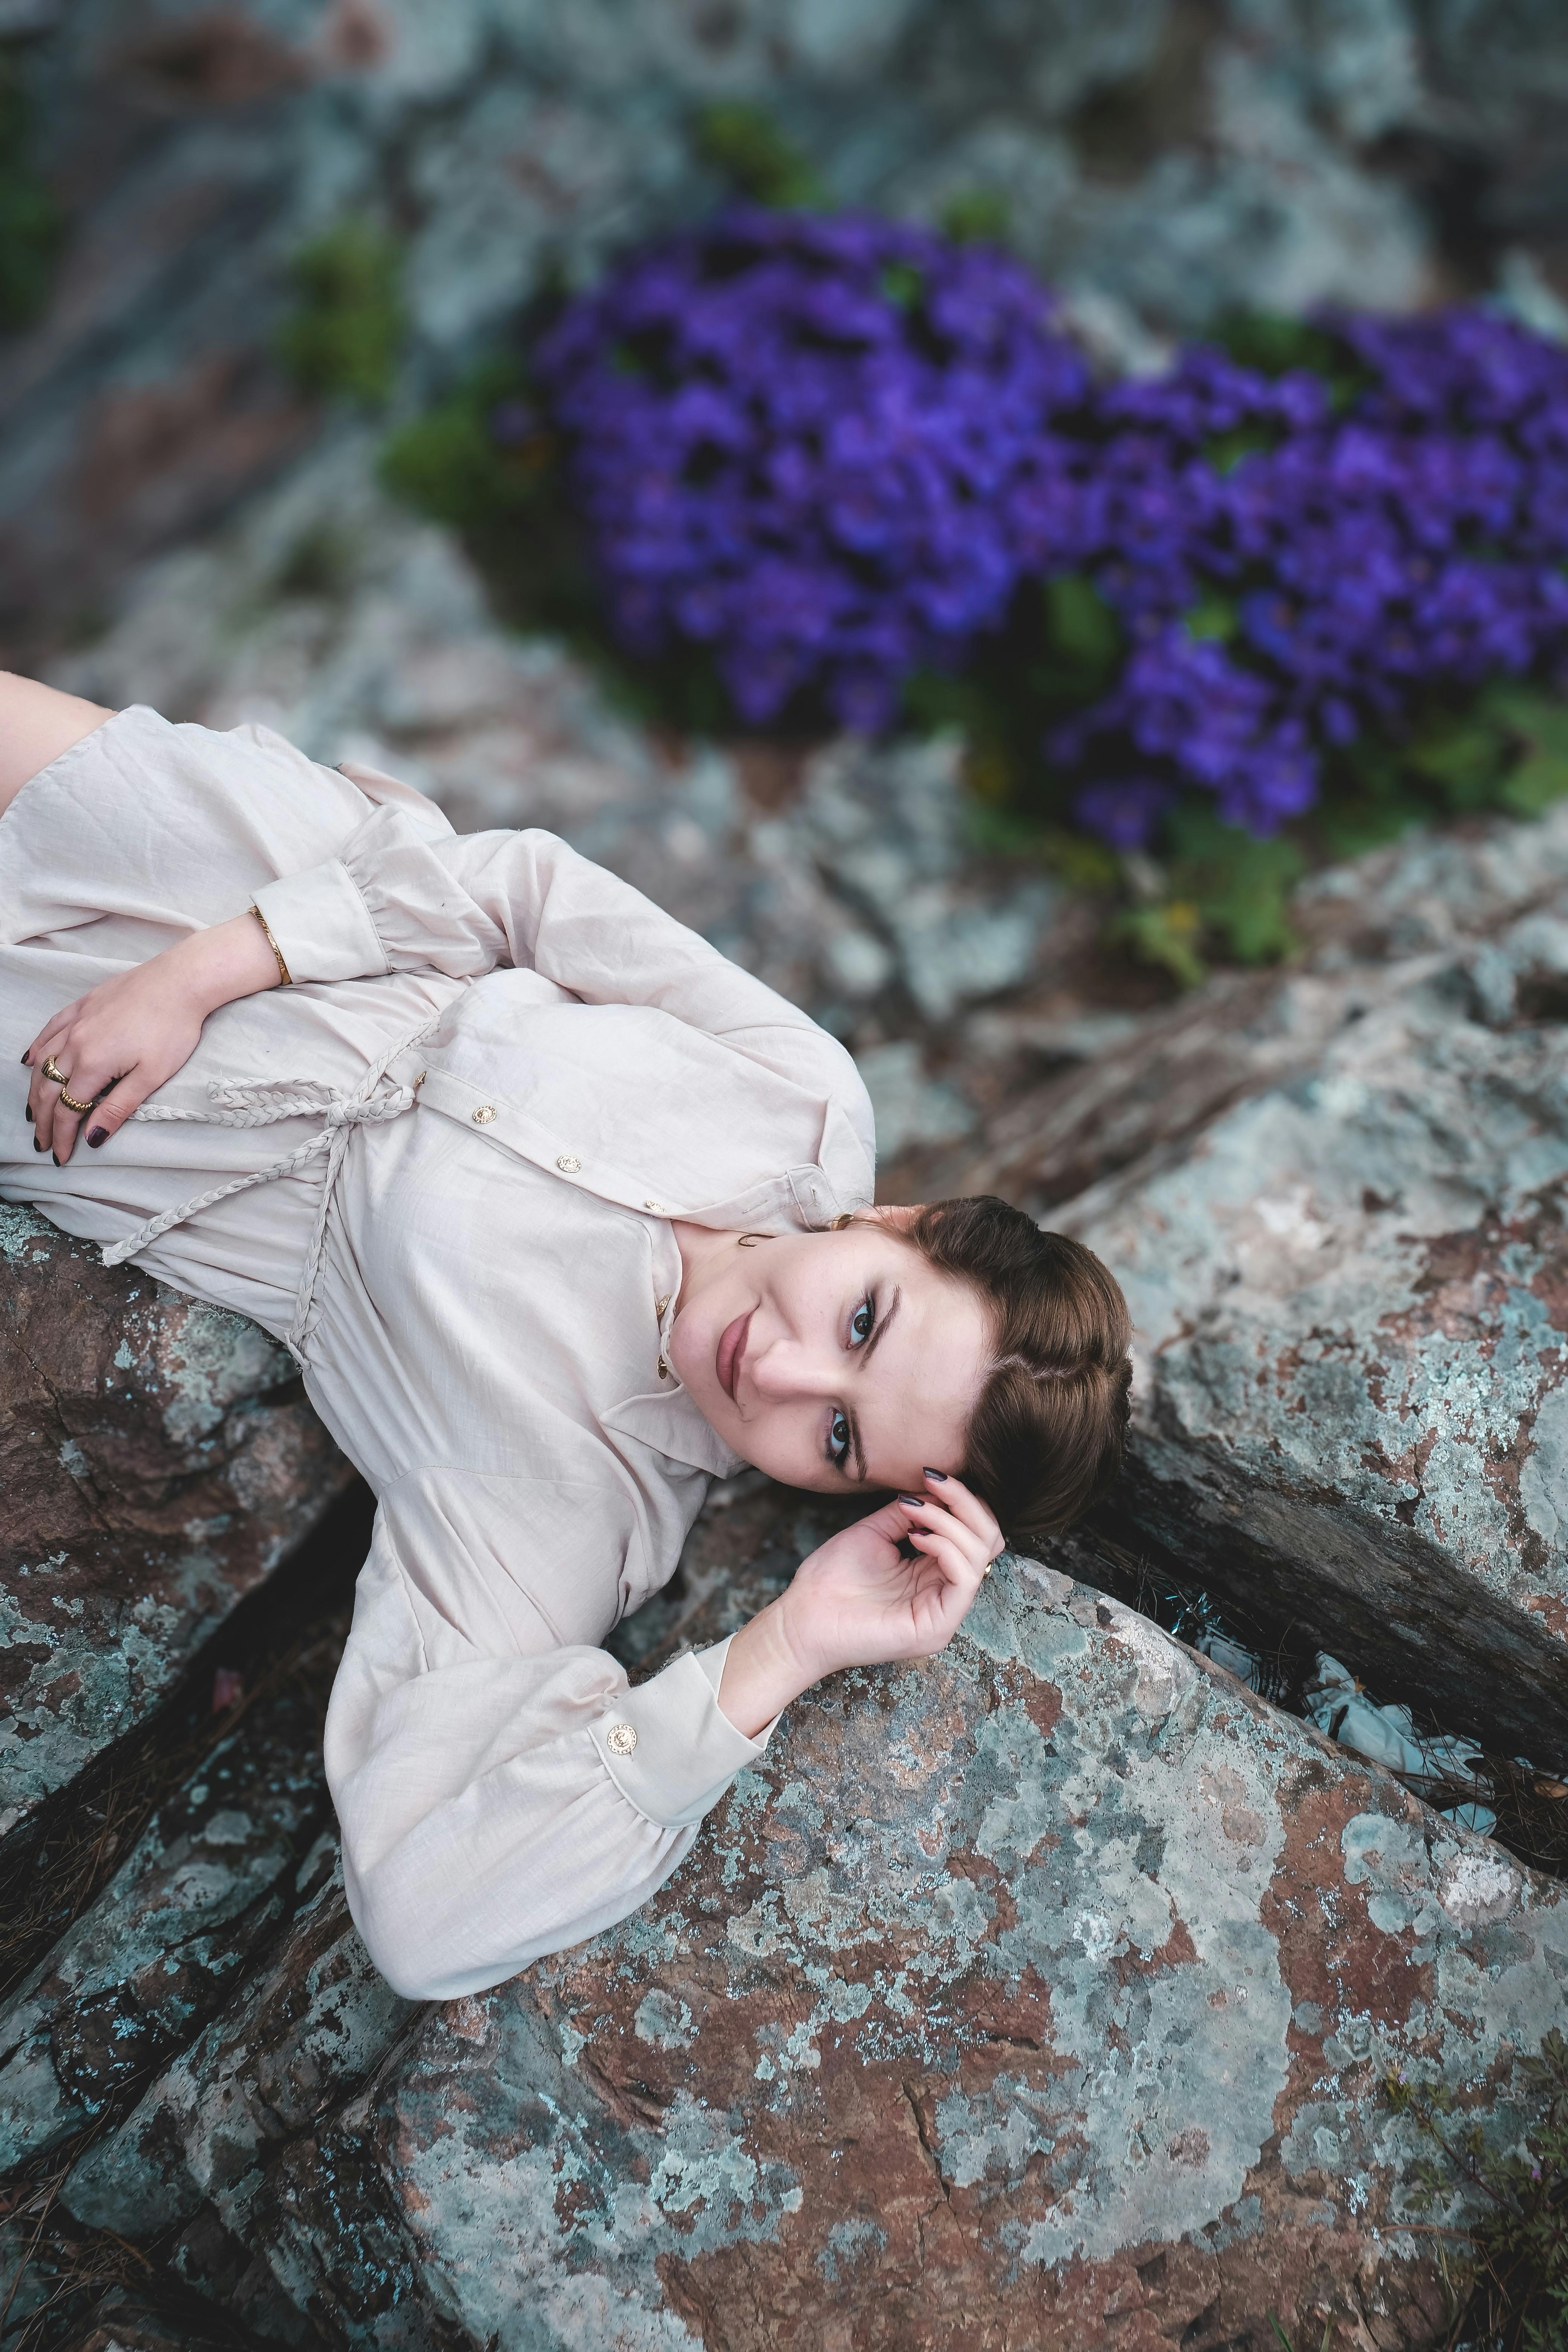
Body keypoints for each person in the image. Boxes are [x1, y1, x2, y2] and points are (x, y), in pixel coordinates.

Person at [0, 672, 1132, 2001]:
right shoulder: (800, 1100)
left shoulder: (575, 1513)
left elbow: (423, 1924)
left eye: (838, 1436)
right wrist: (207, 967)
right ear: (903, 1220)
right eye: (862, 1319)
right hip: (260, 880)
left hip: (121, 1107)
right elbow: (521, 892)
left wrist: (791, 1647)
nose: (778, 1371)